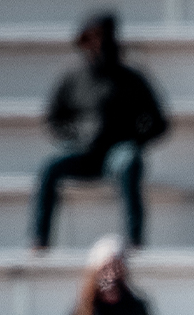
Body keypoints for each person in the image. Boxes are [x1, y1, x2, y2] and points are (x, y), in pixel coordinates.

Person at [31, 12, 169, 252]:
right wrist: (76, 136)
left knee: (130, 162)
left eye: (101, 39)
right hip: (83, 153)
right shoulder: (72, 79)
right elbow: (53, 120)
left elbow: (159, 122)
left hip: (117, 152)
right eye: (91, 40)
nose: (97, 46)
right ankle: (40, 240)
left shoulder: (132, 79)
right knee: (50, 168)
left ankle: (134, 241)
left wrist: (134, 140)